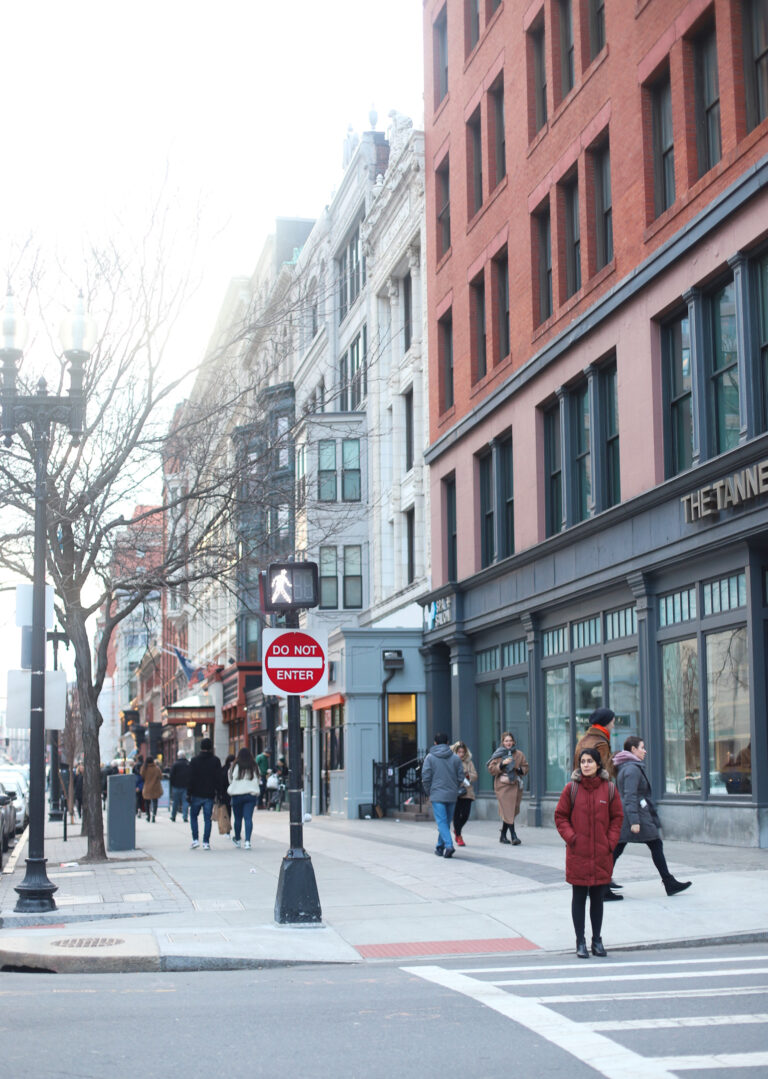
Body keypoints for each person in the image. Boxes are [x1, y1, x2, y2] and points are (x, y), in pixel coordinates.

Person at [555, 747, 624, 959]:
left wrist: (610, 842)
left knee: (597, 898)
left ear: (597, 764)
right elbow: (560, 817)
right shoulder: (571, 789)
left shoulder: (609, 789)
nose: (586, 765)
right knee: (579, 898)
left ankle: (597, 940)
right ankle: (580, 941)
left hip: (601, 853)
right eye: (583, 761)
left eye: (589, 761)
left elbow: (617, 818)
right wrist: (572, 838)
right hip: (578, 853)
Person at [612, 736, 691, 896]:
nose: (645, 750)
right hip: (636, 816)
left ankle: (600, 883)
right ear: (633, 750)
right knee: (653, 844)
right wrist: (634, 820)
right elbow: (630, 796)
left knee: (619, 848)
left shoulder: (627, 767)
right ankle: (669, 882)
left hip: (634, 814)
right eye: (642, 747)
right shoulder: (631, 769)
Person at [421, 732, 465, 858]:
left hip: (436, 793)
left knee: (441, 822)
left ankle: (449, 845)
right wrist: (454, 787)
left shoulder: (430, 757)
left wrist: (429, 791)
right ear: (447, 743)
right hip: (452, 794)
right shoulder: (456, 758)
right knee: (445, 822)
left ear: (435, 743)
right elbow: (461, 777)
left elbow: (426, 777)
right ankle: (439, 847)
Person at [487, 732, 529, 844]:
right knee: (508, 809)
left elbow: (525, 767)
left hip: (515, 785)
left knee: (511, 811)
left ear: (514, 742)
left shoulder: (519, 754)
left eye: (510, 740)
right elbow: (491, 769)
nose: (508, 743)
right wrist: (501, 764)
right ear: (503, 742)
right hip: (502, 786)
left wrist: (518, 769)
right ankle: (514, 836)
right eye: (506, 741)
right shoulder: (498, 754)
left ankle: (502, 835)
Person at [187, 737, 222, 850]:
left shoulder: (194, 761)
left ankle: (195, 839)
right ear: (211, 747)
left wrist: (189, 793)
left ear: (201, 747)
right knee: (208, 819)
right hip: (209, 794)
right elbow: (218, 778)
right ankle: (206, 842)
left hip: (196, 793)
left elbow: (190, 778)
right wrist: (219, 792)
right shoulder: (215, 761)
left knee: (193, 817)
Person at [227, 747, 261, 848]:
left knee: (237, 819)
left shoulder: (234, 765)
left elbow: (230, 779)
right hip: (250, 795)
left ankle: (237, 839)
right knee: (248, 818)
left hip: (237, 794)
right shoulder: (254, 765)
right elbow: (258, 778)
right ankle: (247, 841)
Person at [573, 707, 617, 778]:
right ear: (606, 723)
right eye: (612, 722)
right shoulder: (601, 743)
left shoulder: (582, 740)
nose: (613, 726)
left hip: (581, 785)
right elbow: (605, 772)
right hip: (596, 786)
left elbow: (576, 768)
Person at [451, 741, 477, 847]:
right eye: (459, 752)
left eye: (463, 752)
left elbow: (475, 775)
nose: (461, 754)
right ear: (455, 752)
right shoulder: (451, 762)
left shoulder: (469, 762)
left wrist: (468, 775)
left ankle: (457, 830)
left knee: (465, 815)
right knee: (456, 814)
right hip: (455, 792)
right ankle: (459, 836)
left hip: (467, 792)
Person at [169, 750, 191, 822]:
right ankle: (185, 817)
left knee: (175, 802)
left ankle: (173, 816)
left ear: (178, 756)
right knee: (185, 802)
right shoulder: (188, 764)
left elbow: (171, 776)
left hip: (176, 786)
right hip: (185, 786)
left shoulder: (175, 764)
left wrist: (172, 784)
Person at [140, 756, 164, 822]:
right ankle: (154, 815)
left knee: (147, 802)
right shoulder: (157, 768)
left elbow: (142, 776)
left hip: (147, 787)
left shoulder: (144, 768)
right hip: (155, 788)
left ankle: (148, 815)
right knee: (155, 802)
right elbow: (161, 777)